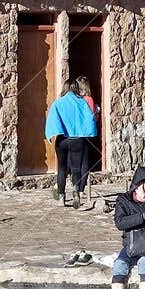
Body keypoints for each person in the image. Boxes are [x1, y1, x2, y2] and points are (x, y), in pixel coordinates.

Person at [44, 79, 97, 207]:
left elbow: (51, 119)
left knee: (61, 168)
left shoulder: (58, 103)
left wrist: (50, 135)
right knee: (76, 168)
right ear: (76, 88)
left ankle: (61, 197)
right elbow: (90, 119)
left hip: (62, 140)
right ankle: (76, 191)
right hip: (77, 140)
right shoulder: (82, 103)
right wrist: (90, 133)